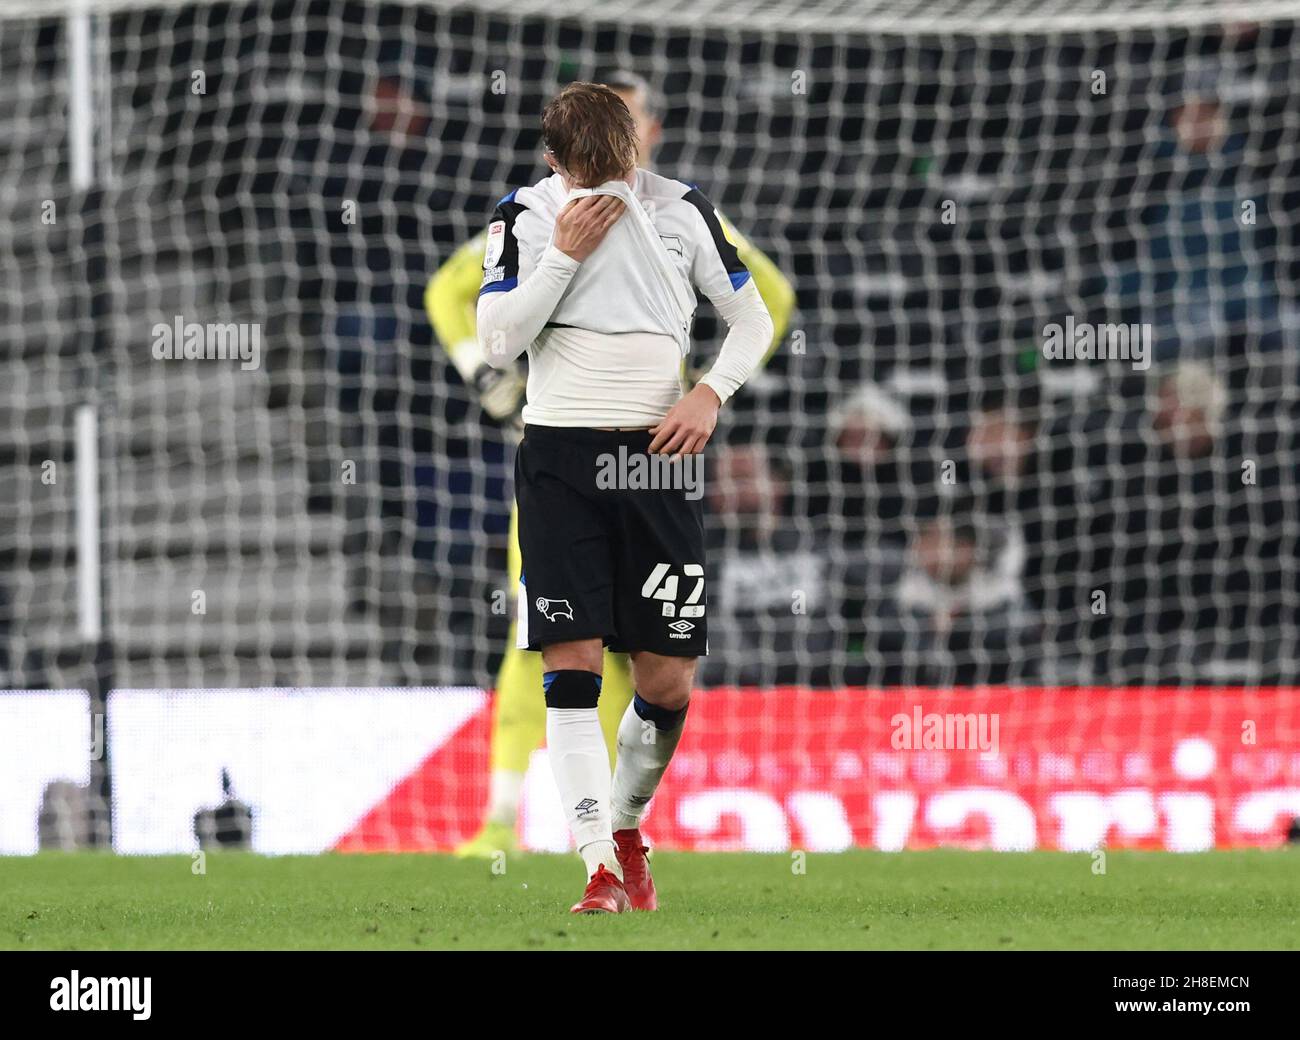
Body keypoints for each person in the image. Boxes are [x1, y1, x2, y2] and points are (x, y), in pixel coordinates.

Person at [424, 69, 794, 858]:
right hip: (563, 449)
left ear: (647, 133)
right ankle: (508, 824)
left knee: (659, 669)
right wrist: (484, 374)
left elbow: (769, 304)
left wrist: (708, 388)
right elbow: (452, 295)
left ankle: (621, 824)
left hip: (657, 452)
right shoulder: (530, 213)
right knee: (552, 642)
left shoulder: (689, 211)